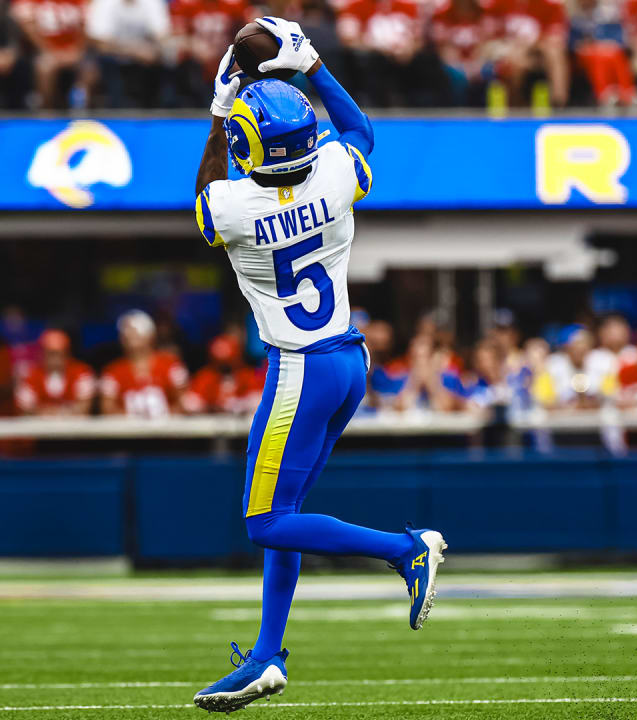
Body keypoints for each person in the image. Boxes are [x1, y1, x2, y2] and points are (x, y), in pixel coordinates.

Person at [191, 21, 446, 710]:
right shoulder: (335, 174)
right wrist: (313, 66)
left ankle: (404, 549)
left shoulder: (235, 208)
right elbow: (360, 132)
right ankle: (269, 655)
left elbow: (207, 190)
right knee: (289, 508)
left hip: (298, 369)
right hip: (347, 361)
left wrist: (220, 114)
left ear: (250, 145)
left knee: (266, 522)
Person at [97, 310, 189, 417]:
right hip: (127, 431)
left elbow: (184, 402)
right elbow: (107, 409)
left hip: (168, 430)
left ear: (150, 335)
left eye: (134, 330)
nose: (128, 334)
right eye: (125, 331)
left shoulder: (171, 365)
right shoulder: (112, 371)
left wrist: (162, 421)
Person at [15, 329, 96, 416]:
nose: (55, 360)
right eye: (51, 354)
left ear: (67, 354)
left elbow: (83, 408)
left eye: (60, 354)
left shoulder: (82, 372)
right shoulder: (30, 374)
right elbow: (25, 410)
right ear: (42, 354)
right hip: (40, 427)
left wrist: (50, 412)